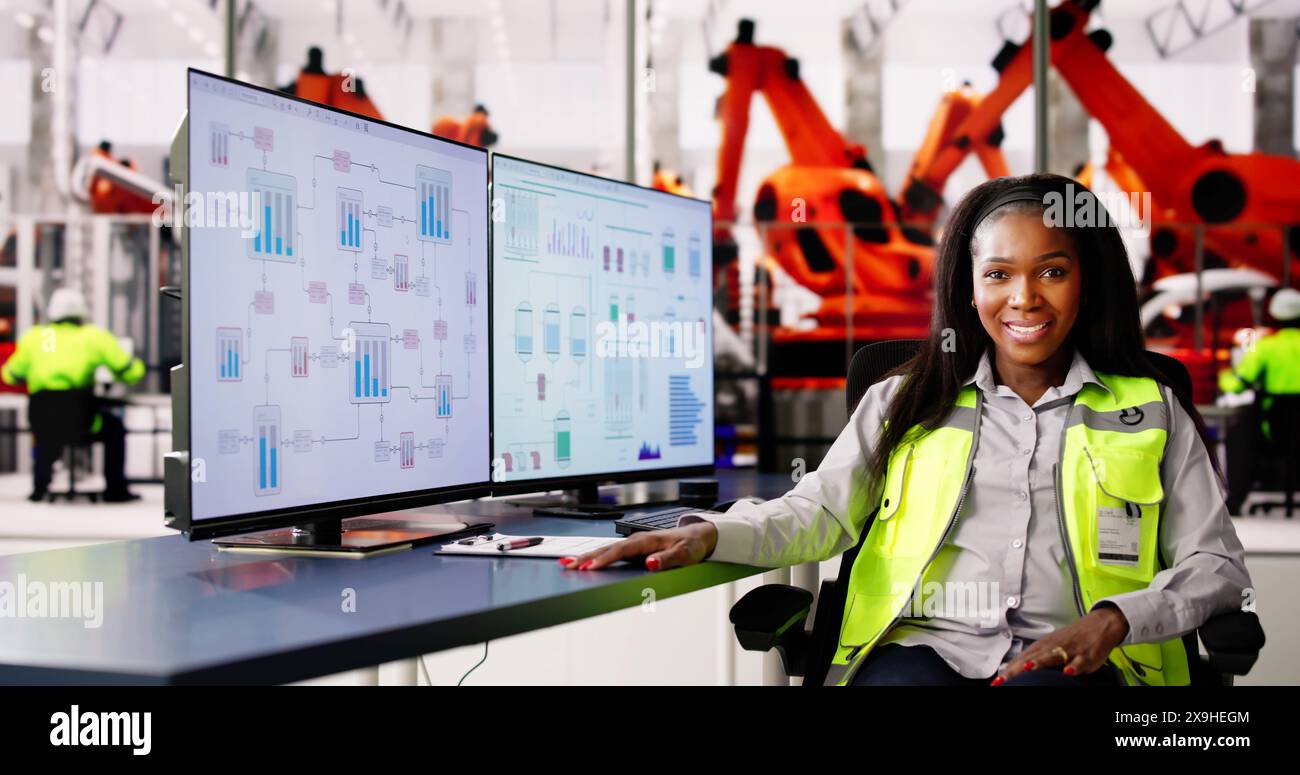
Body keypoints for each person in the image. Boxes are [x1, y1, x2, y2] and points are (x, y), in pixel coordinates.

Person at [566, 173, 1252, 687]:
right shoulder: (908, 398)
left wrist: (1116, 618)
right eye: (998, 274)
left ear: (1087, 281)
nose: (1023, 298)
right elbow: (818, 512)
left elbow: (1217, 567)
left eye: (1052, 271)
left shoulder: (1151, 408)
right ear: (968, 285)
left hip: (1081, 663)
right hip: (921, 653)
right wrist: (709, 532)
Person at [1, 288, 145, 502]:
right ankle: (115, 490)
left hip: (43, 420)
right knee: (114, 429)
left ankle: (39, 488)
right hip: (83, 422)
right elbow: (133, 371)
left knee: (44, 437)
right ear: (82, 312)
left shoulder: (35, 337)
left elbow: (10, 375)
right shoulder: (94, 337)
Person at [1218, 288, 1300, 515]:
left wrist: (1223, 376)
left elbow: (1235, 384)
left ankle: (1235, 501)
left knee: (1238, 436)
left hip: (1275, 430)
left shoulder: (1265, 347)